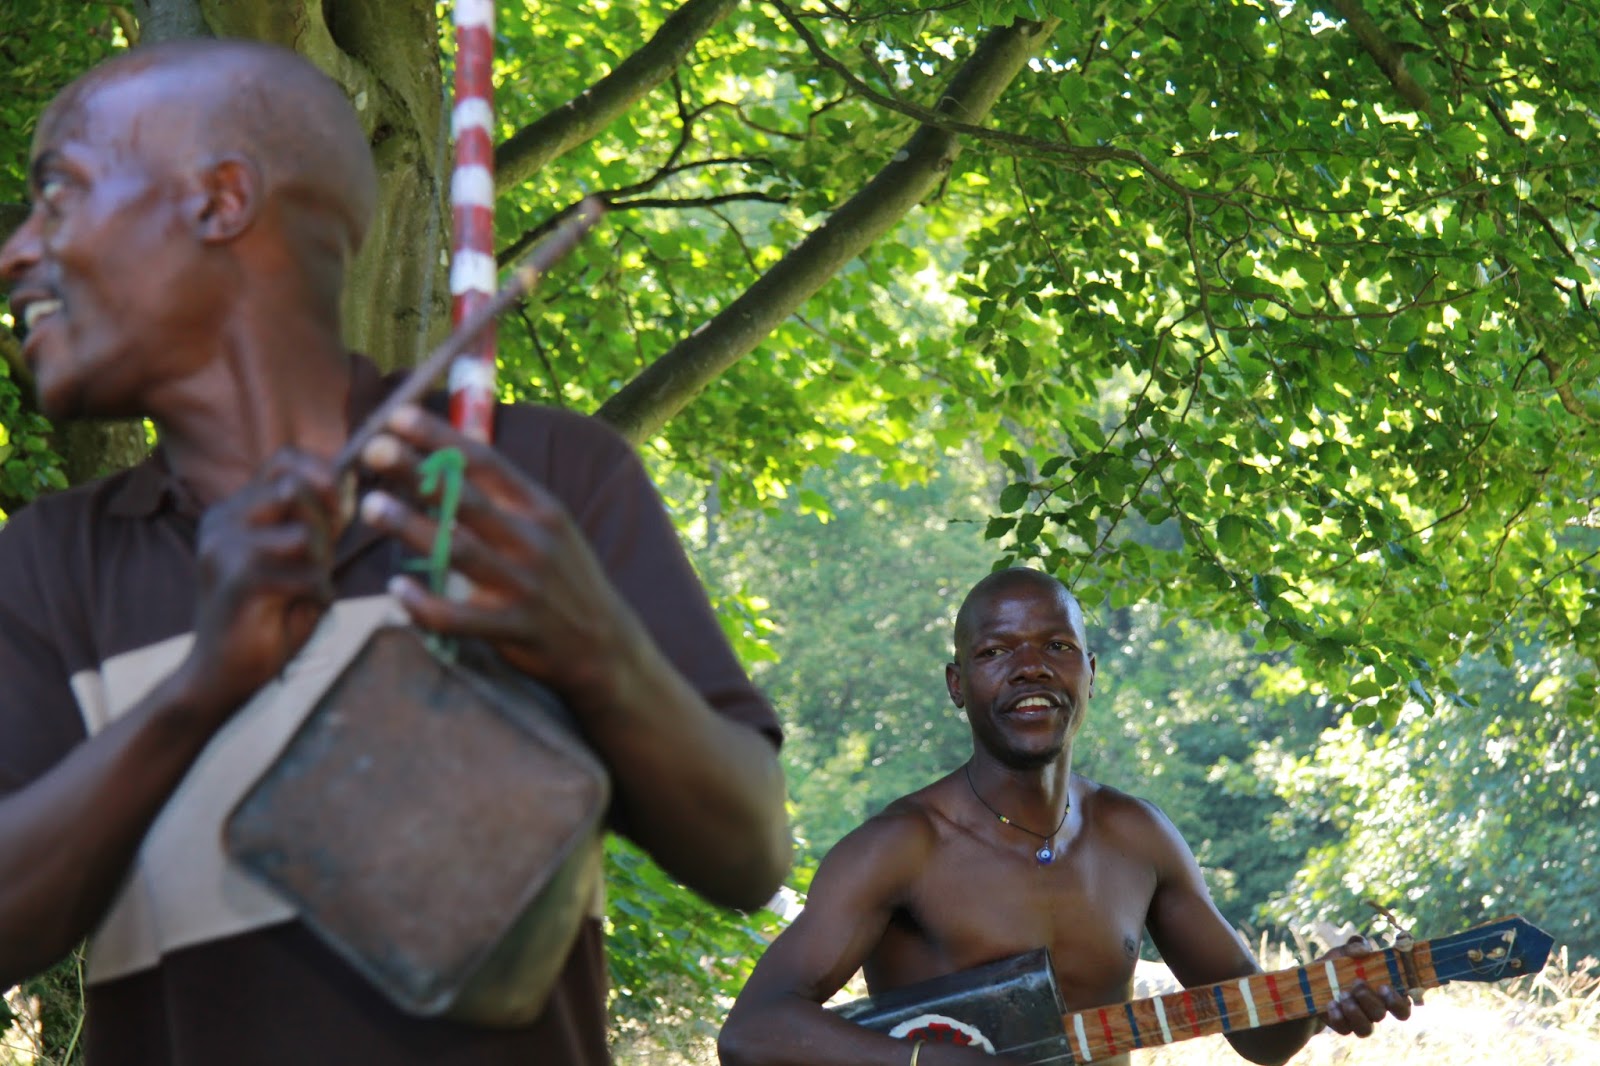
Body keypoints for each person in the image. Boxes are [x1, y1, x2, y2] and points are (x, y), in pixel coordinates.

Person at [0, 38, 789, 1065]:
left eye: (57, 196)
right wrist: (202, 688)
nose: (14, 253)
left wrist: (595, 650)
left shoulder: (544, 479)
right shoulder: (52, 559)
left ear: (220, 200)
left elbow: (749, 856)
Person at [719, 567, 1410, 1066]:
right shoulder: (901, 846)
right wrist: (937, 1063)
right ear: (957, 684)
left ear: (1090, 673)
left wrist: (1319, 998)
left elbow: (1260, 1035)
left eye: (1057, 647)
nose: (1031, 668)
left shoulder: (1137, 836)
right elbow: (753, 1032)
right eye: (996, 652)